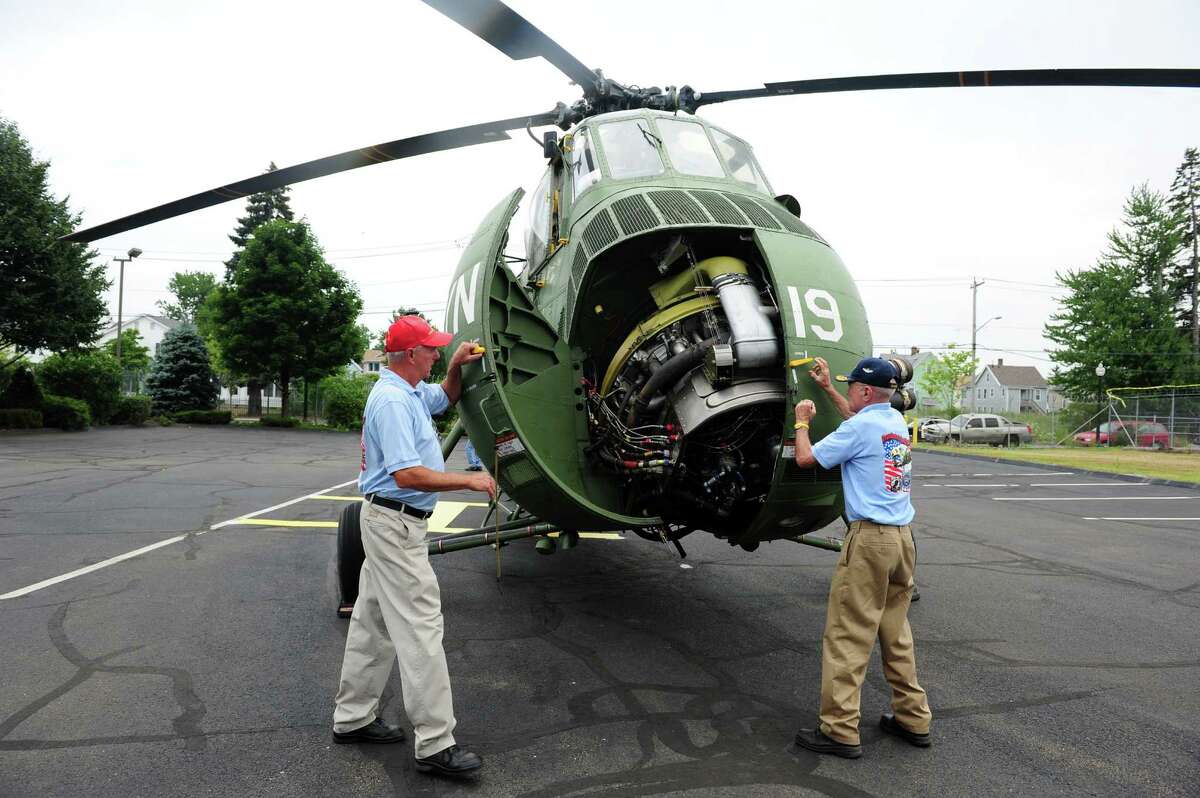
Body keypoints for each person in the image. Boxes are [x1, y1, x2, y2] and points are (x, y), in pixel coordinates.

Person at [332, 315, 497, 777]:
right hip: (395, 524)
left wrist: (457, 367)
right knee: (421, 628)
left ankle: (353, 718)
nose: (436, 354)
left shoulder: (407, 391)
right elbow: (408, 475)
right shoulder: (390, 401)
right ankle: (435, 745)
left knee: (374, 623)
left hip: (390, 521)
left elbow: (444, 396)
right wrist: (468, 479)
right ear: (409, 355)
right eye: (431, 350)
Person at [790, 356, 932, 759]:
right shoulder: (891, 422)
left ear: (867, 391)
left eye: (852, 386)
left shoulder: (860, 426)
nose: (849, 391)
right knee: (896, 633)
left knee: (848, 635)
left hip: (870, 542)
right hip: (903, 541)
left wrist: (802, 421)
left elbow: (805, 459)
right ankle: (913, 718)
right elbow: (855, 417)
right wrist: (829, 389)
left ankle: (838, 730)